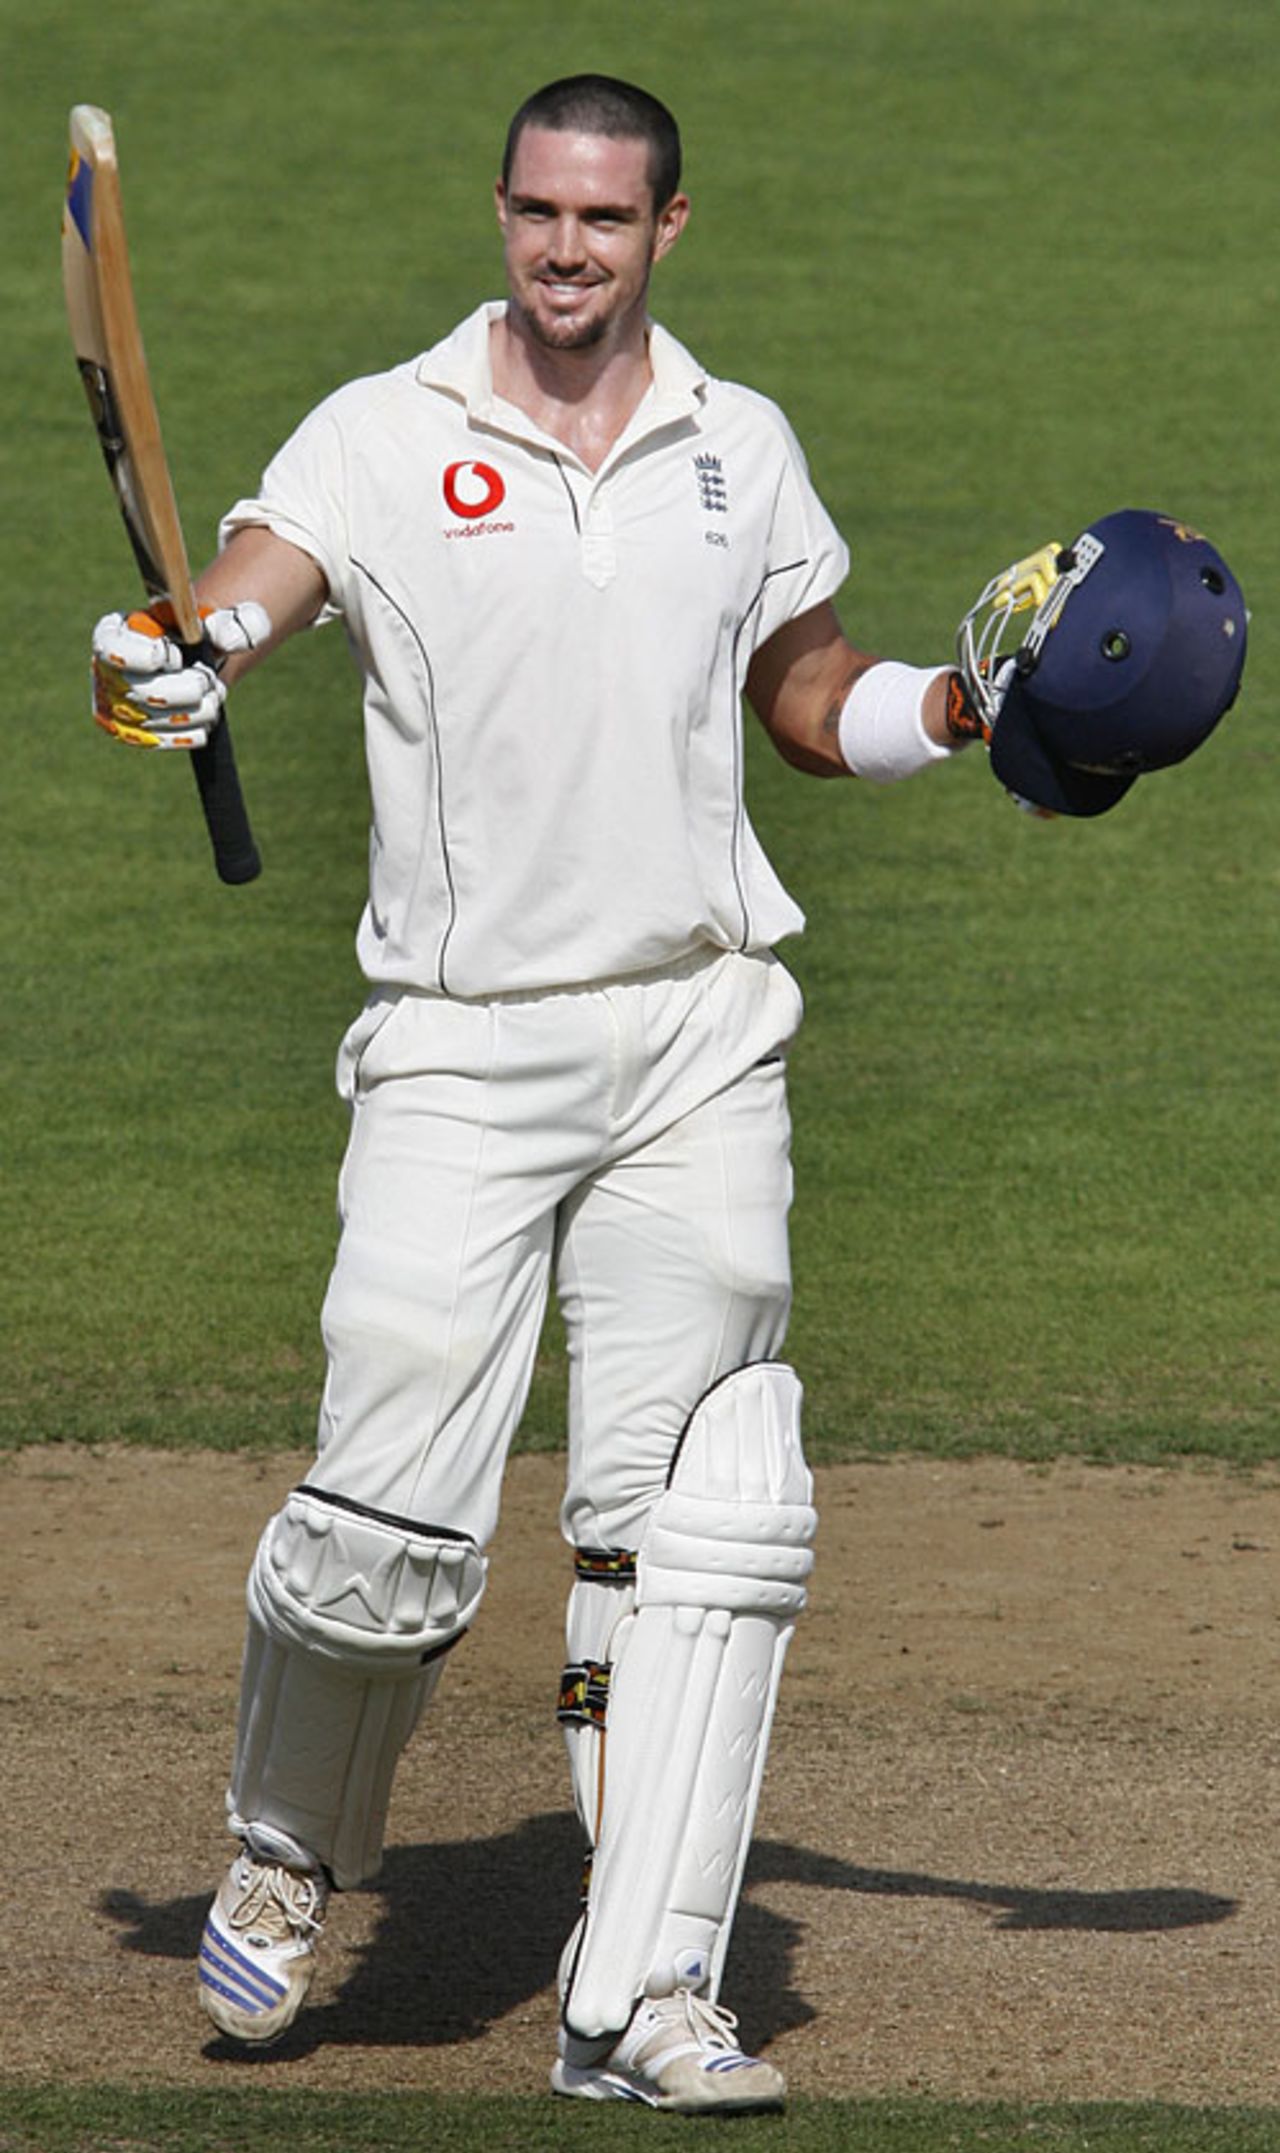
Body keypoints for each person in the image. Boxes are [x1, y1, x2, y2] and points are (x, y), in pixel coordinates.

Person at [90, 74, 991, 2114]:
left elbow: (802, 698)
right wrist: (185, 653)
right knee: (384, 1519)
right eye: (532, 214)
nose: (561, 251)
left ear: (669, 229)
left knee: (697, 1522)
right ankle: (288, 1853)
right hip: (462, 1045)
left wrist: (951, 711)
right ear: (500, 212)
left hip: (695, 1034)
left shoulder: (732, 447)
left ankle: (650, 1993)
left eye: (602, 221)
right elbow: (254, 578)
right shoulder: (386, 430)